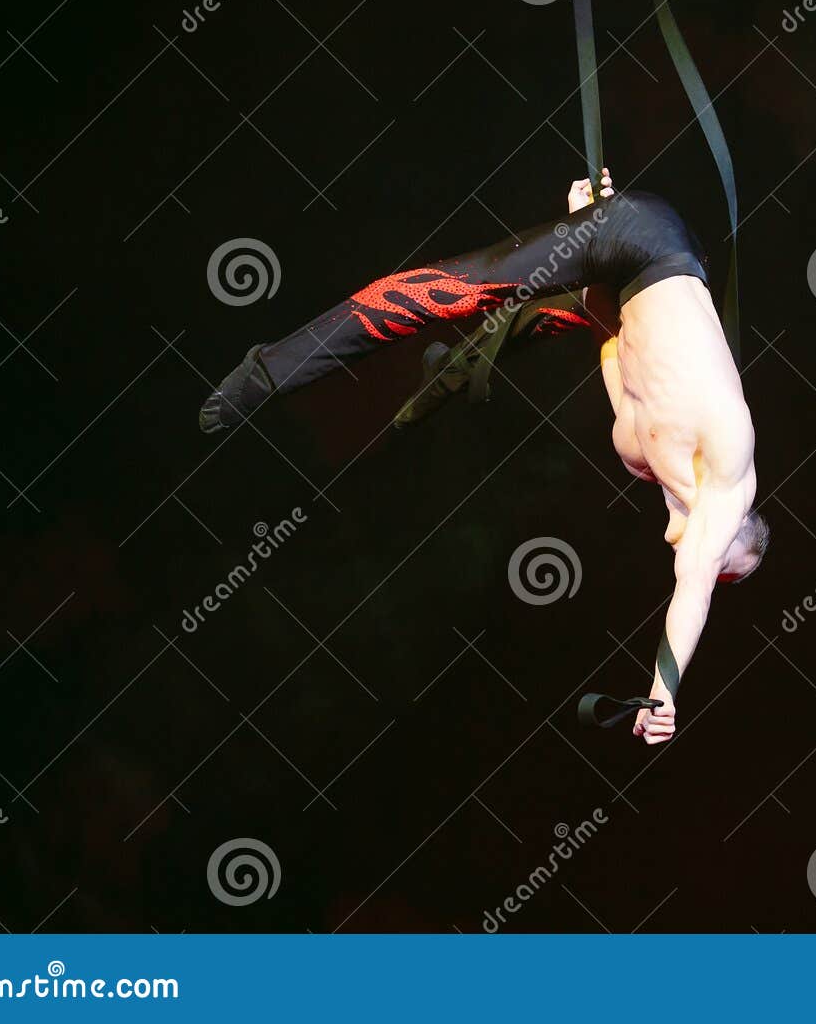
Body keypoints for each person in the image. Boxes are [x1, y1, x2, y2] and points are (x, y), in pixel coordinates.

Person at [198, 170, 767, 744]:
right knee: (454, 290)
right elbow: (693, 586)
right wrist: (664, 693)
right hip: (650, 238)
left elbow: (612, 337)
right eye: (726, 560)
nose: (710, 561)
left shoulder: (640, 456)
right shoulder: (729, 469)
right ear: (737, 519)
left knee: (542, 315)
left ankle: (451, 371)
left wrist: (581, 225)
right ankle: (268, 372)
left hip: (618, 277)